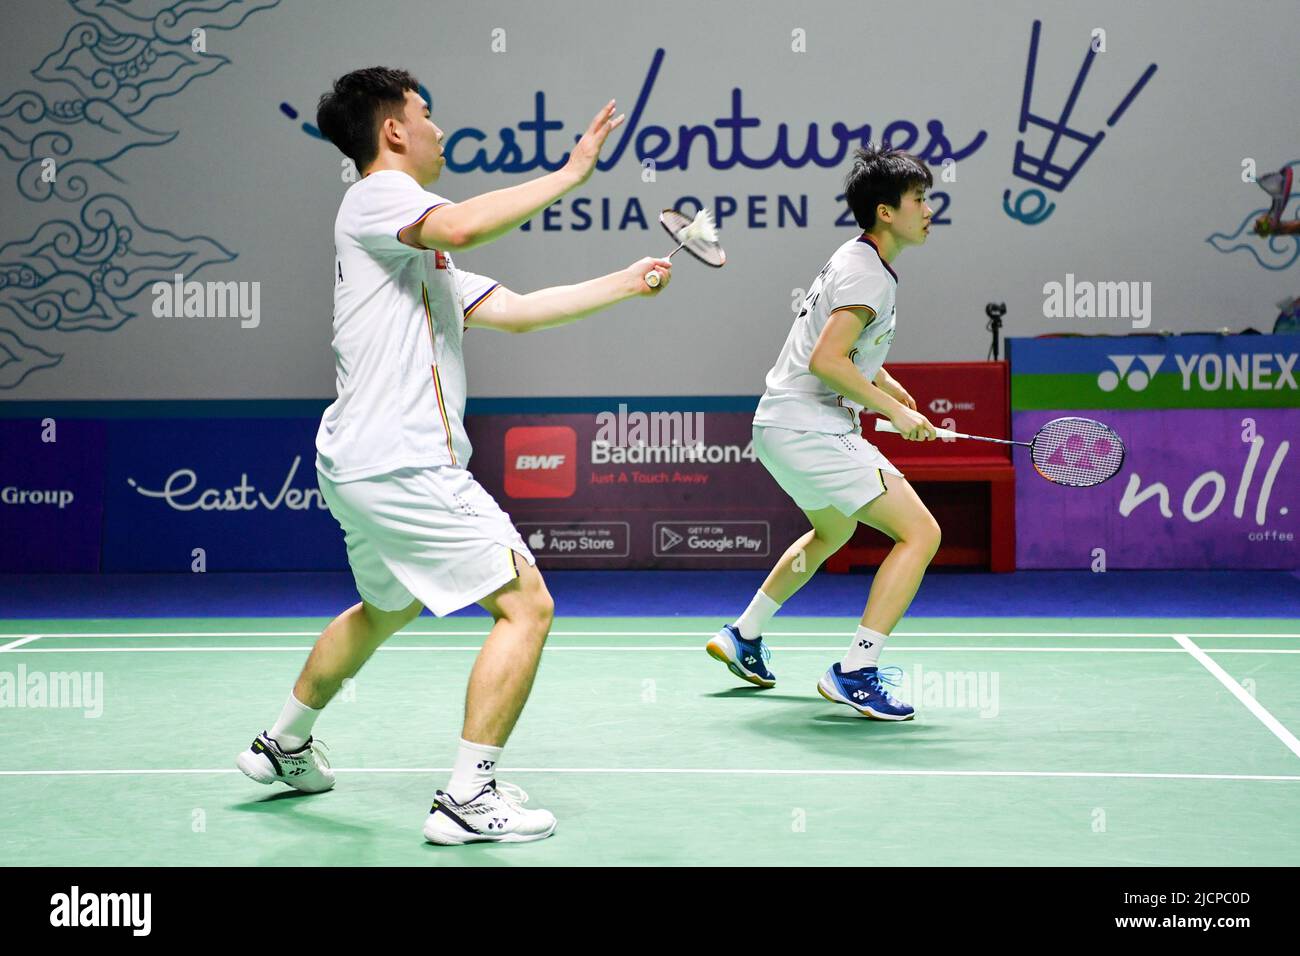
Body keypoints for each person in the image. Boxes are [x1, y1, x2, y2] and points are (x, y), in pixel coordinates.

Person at [236, 67, 672, 845]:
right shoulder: (379, 196)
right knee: (527, 606)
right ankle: (468, 797)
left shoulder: (414, 254)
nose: (440, 130)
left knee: (386, 608)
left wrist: (627, 282)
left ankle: (283, 743)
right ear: (393, 131)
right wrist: (571, 174)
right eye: (427, 115)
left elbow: (519, 312)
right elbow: (464, 225)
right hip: (402, 461)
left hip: (358, 462)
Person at [706, 144, 939, 720]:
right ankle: (856, 672)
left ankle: (744, 634)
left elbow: (839, 346)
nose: (928, 209)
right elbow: (827, 360)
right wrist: (896, 414)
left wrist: (887, 384)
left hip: (778, 424)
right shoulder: (870, 276)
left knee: (832, 530)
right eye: (919, 199)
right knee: (920, 533)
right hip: (810, 426)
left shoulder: (853, 258)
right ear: (886, 211)